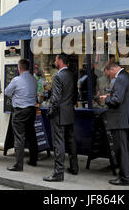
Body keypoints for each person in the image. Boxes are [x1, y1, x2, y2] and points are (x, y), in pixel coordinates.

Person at [100, 61, 129, 186]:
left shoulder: (120, 78)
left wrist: (106, 99)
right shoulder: (127, 75)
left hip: (121, 120)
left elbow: (117, 99)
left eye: (109, 74)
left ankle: (124, 178)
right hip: (127, 119)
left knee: (121, 149)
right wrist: (111, 95)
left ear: (112, 69)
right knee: (127, 148)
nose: (110, 77)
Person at [43, 54, 79, 182]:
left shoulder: (58, 76)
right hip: (69, 111)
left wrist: (51, 111)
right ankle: (74, 167)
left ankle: (58, 172)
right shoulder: (72, 74)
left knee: (58, 142)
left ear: (60, 61)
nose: (55, 61)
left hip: (59, 114)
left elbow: (56, 98)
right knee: (70, 140)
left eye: (56, 59)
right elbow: (76, 95)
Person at [5, 59, 39, 172]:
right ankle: (33, 160)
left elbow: (7, 92)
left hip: (20, 111)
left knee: (19, 137)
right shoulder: (34, 79)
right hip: (31, 110)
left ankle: (18, 165)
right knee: (31, 134)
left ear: (19, 68)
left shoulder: (16, 80)